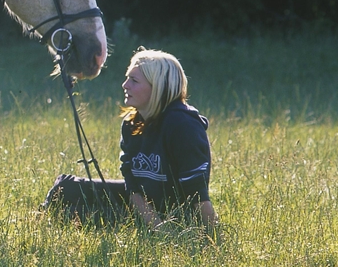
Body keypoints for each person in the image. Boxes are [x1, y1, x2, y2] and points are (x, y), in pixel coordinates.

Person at [43, 48, 219, 231]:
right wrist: (157, 228)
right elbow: (133, 187)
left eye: (134, 81)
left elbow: (198, 197)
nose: (125, 85)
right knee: (64, 188)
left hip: (177, 218)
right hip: (144, 210)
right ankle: (41, 220)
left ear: (158, 86)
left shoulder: (183, 126)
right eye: (127, 78)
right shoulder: (132, 124)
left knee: (77, 214)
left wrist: (212, 240)